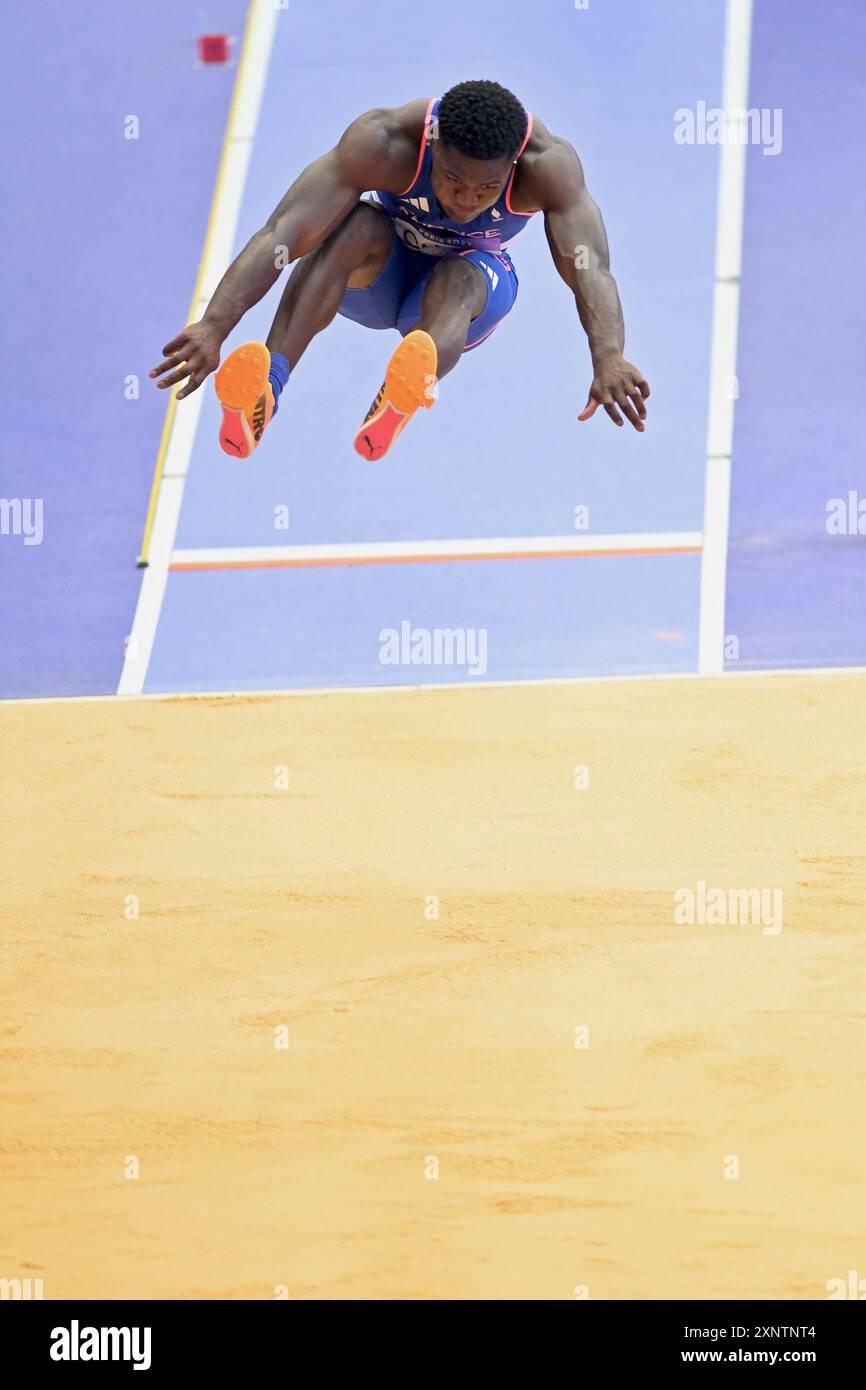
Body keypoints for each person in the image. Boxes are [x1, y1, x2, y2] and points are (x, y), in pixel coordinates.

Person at [150, 79, 649, 460]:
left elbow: (591, 269)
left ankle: (406, 388)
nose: (468, 199)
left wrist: (608, 356)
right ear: (431, 148)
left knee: (459, 275)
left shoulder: (550, 167)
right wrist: (215, 326)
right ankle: (269, 387)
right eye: (453, 180)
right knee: (353, 224)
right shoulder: (382, 142)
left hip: (465, 291)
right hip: (378, 278)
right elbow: (282, 234)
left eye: (487, 188)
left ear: (514, 166)